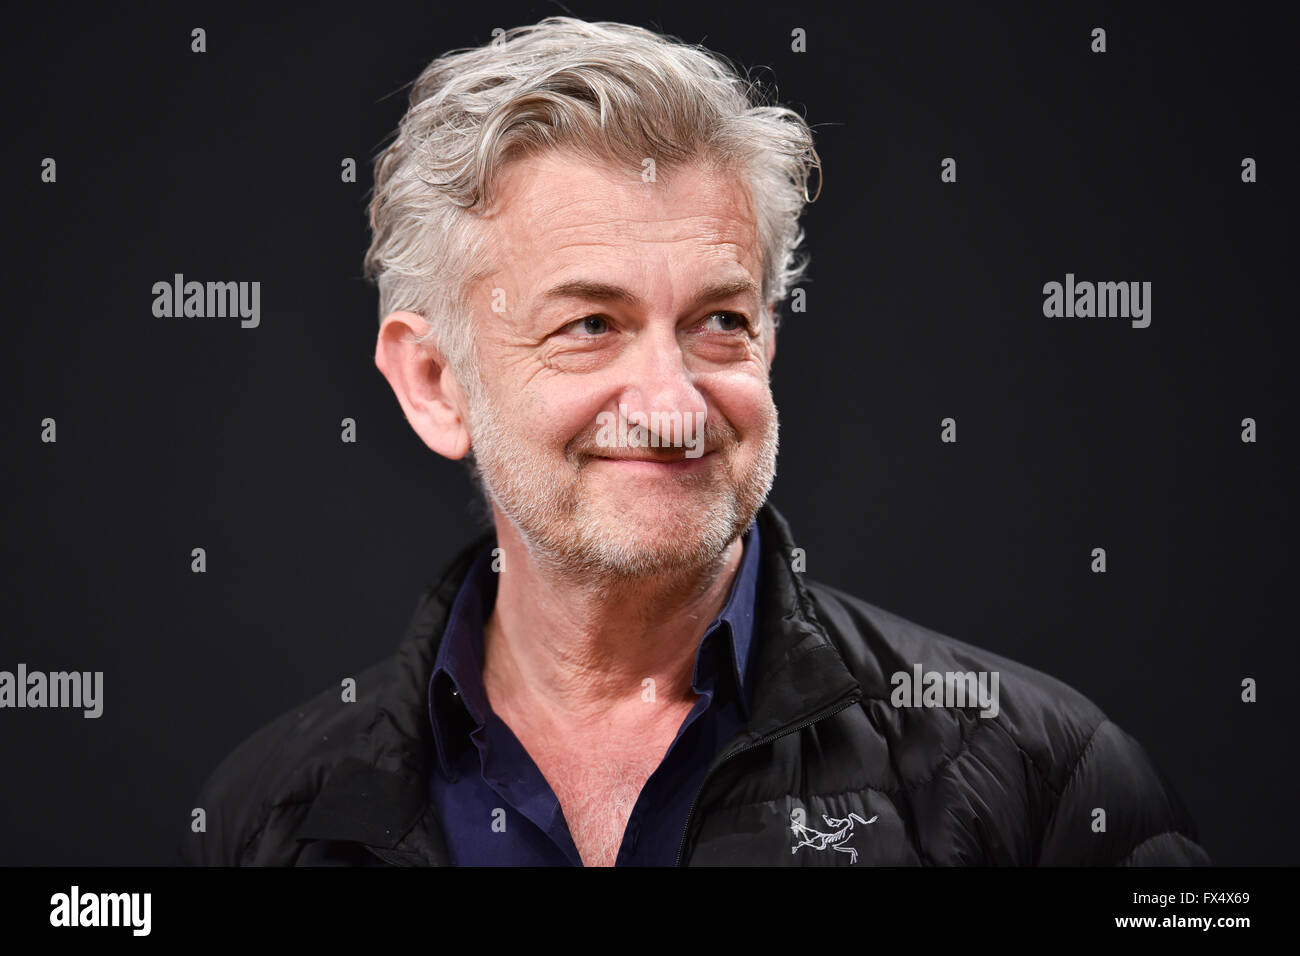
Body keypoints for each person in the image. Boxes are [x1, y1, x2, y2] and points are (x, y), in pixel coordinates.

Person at [182, 16, 1209, 866]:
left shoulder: (1044, 775)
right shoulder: (273, 814)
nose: (673, 400)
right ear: (434, 381)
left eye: (720, 321)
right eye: (590, 324)